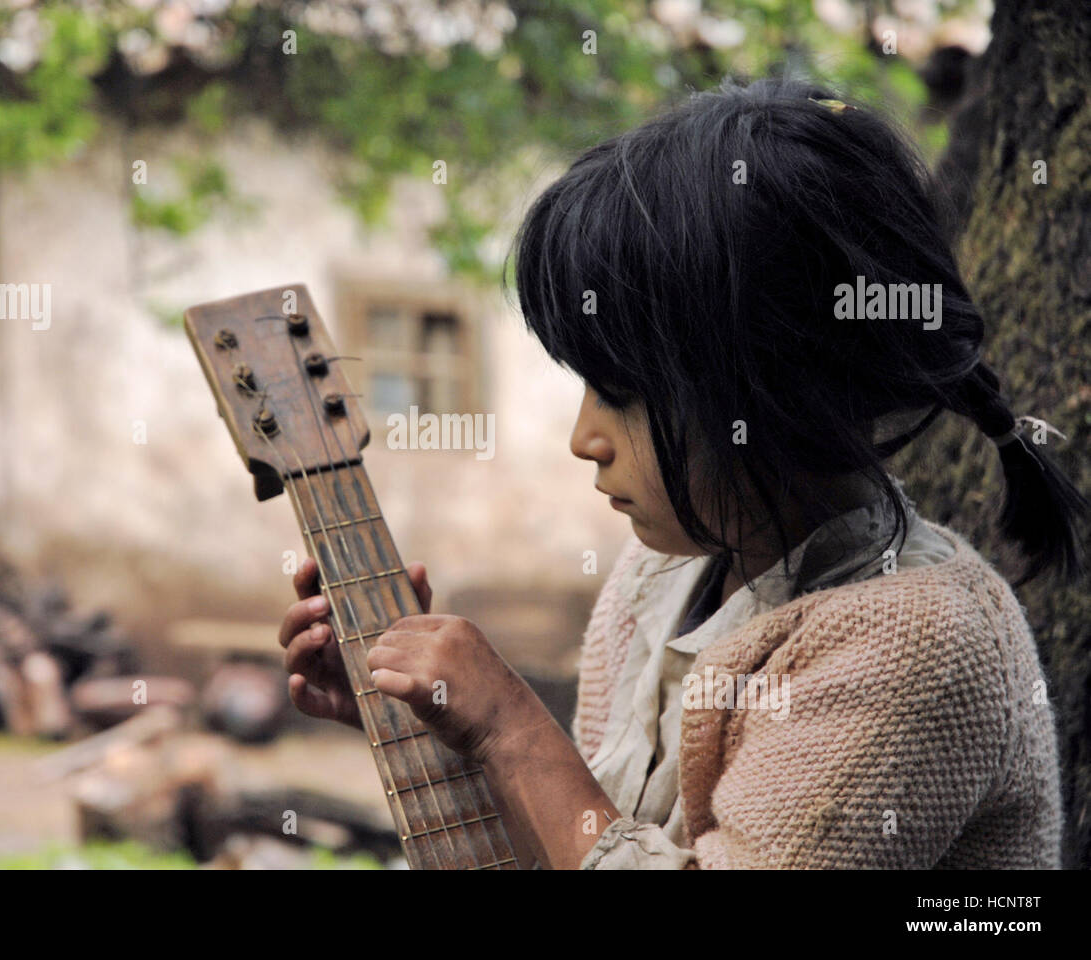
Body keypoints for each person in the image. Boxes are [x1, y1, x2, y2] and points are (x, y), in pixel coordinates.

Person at [278, 77, 1086, 869]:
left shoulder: (921, 644)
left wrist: (512, 726)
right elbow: (590, 846)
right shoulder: (655, 577)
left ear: (776, 386)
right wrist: (441, 730)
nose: (583, 438)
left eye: (623, 393)